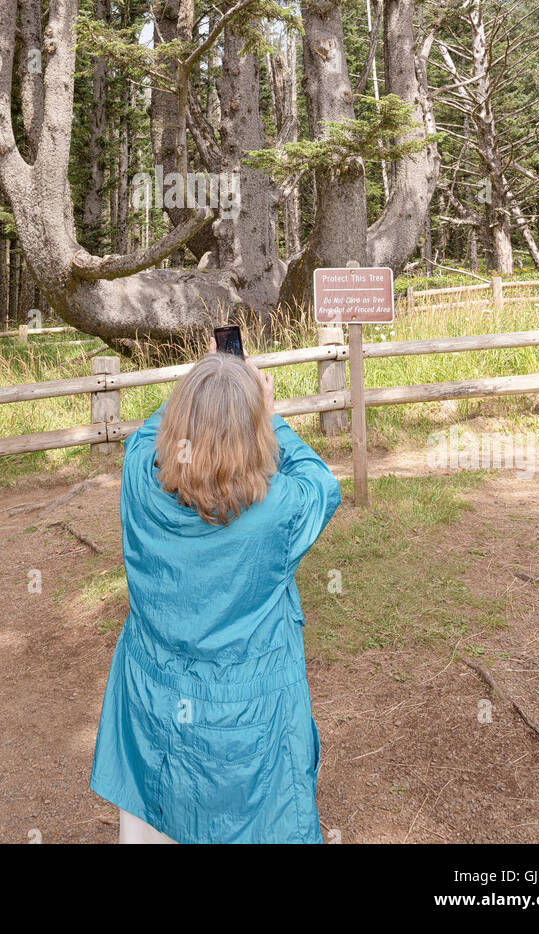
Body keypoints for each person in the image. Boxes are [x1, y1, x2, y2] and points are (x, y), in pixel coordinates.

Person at [89, 340, 341, 844]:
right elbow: (320, 481)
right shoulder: (278, 513)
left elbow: (153, 431)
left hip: (152, 699)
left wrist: (207, 378)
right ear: (255, 432)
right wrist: (266, 413)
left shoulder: (139, 475)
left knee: (153, 817)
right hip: (244, 723)